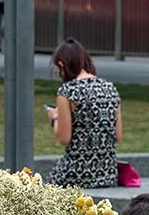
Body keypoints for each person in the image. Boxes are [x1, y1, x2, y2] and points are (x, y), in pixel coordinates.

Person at [44, 38, 121, 189]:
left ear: (61, 64)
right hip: (108, 174)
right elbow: (117, 135)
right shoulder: (110, 88)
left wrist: (54, 118)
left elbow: (64, 138)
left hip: (75, 174)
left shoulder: (67, 91)